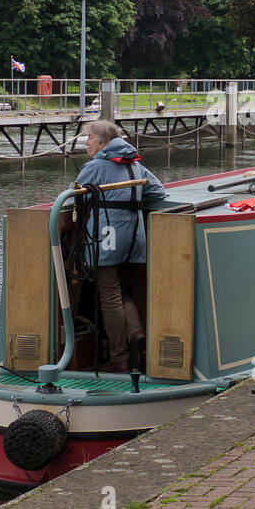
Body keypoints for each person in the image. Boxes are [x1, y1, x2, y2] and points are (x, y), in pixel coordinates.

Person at [75, 120, 166, 372]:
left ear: (103, 142)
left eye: (90, 138)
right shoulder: (135, 165)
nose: (86, 142)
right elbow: (158, 192)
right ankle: (136, 334)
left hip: (108, 238)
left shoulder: (95, 167)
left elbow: (72, 195)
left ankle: (120, 357)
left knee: (109, 294)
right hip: (134, 237)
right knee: (121, 287)